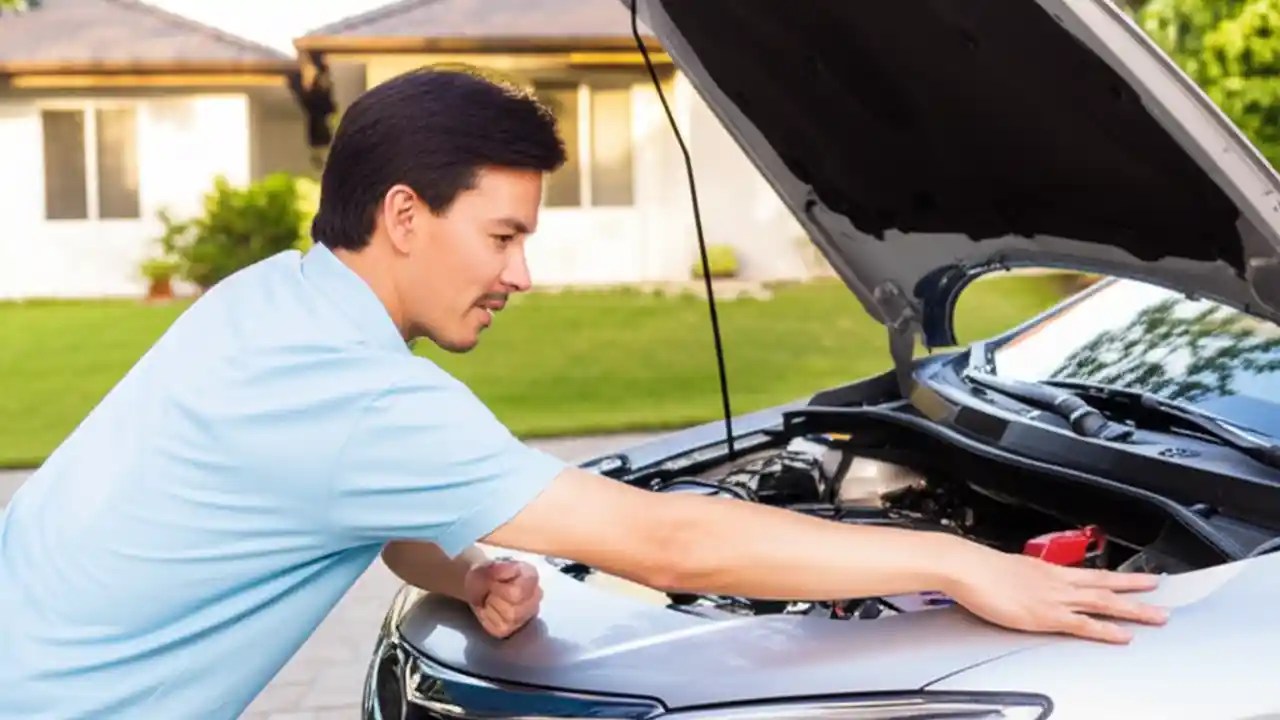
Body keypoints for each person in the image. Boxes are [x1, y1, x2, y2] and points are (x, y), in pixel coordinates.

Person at [0, 67, 1168, 719]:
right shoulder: (348, 387)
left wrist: (459, 568)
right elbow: (658, 541)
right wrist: (959, 560)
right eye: (502, 234)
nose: (521, 273)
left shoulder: (279, 306)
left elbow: (364, 505)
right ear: (404, 215)